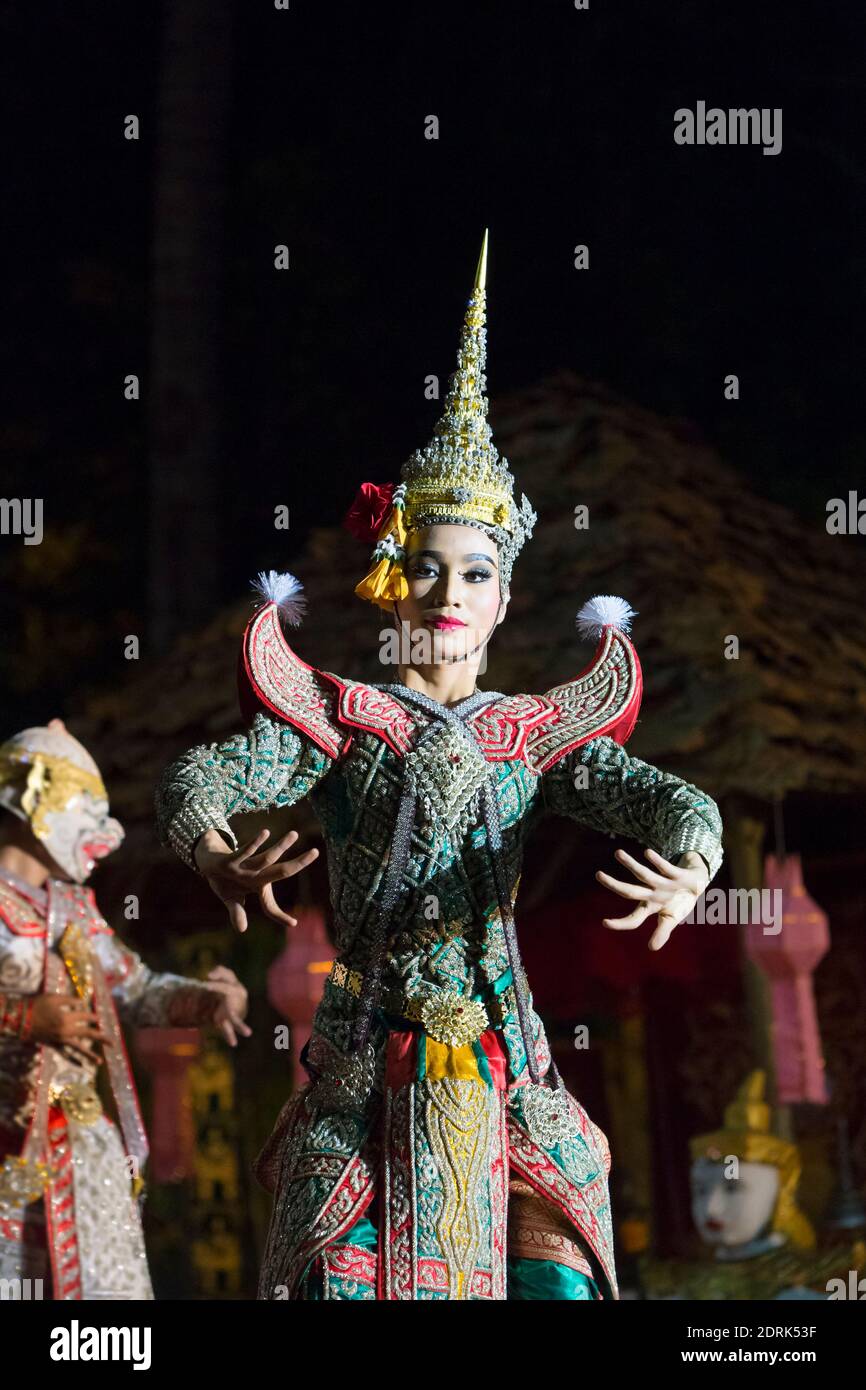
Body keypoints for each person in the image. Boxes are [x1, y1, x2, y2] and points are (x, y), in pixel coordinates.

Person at [155, 232, 724, 1301]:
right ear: (390, 579)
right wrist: (213, 848)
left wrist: (692, 863)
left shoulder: (534, 733)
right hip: (365, 1069)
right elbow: (199, 778)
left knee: (557, 1271)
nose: (448, 592)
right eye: (425, 567)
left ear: (505, 596)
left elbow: (668, 798)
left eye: (474, 572)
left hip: (508, 1065)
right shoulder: (342, 717)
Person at [0, 719, 249, 1299]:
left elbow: (133, 990)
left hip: (81, 1157)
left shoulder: (72, 908)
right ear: (37, 795)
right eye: (85, 806)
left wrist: (203, 1001)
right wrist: (24, 1019)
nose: (97, 831)